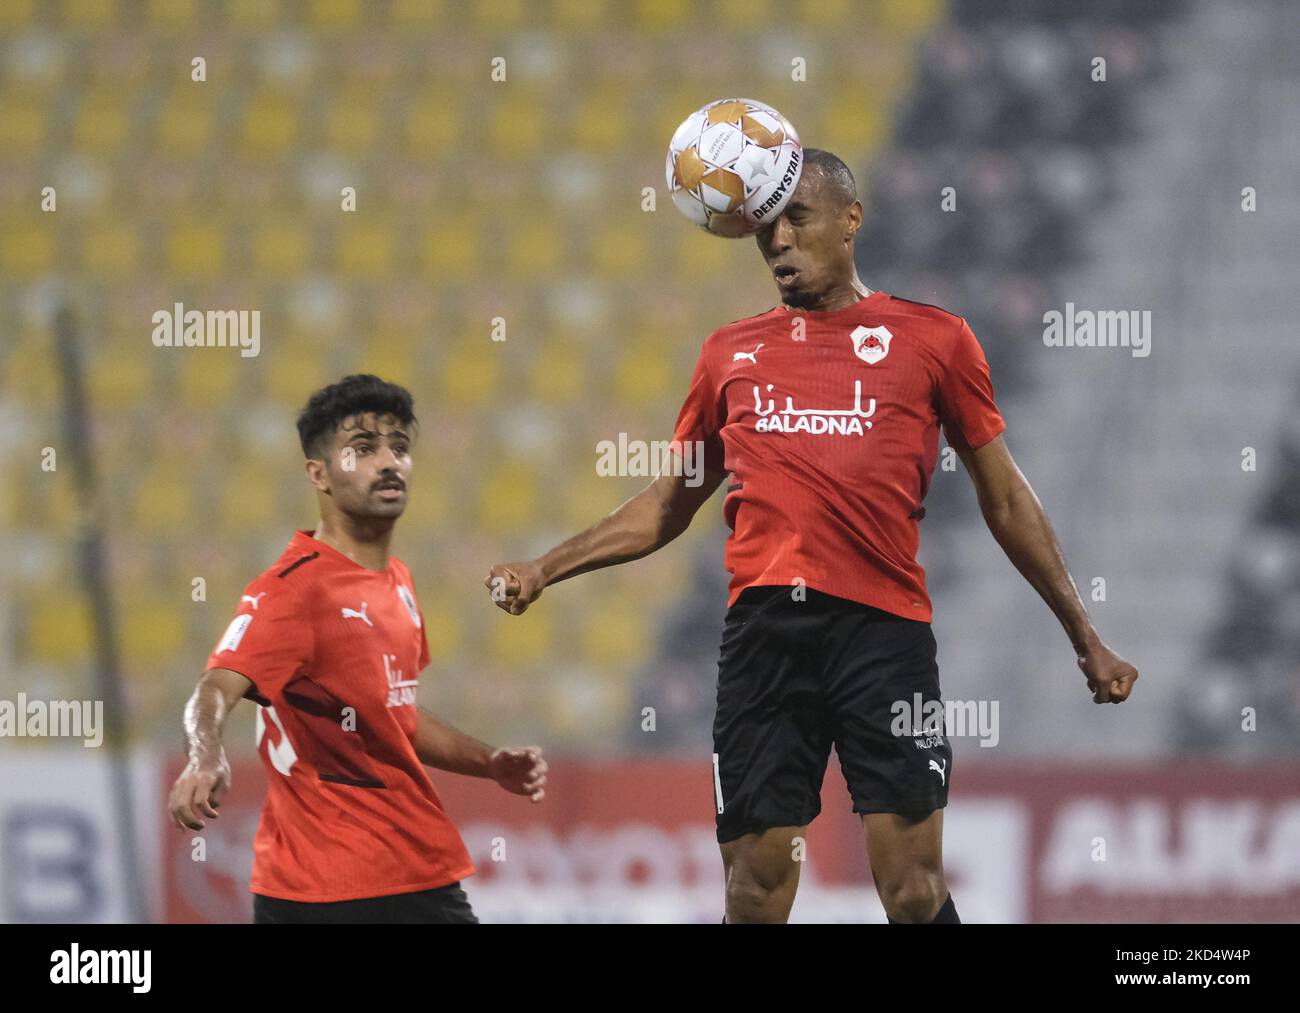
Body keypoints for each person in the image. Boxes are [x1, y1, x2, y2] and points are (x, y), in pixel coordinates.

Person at [484, 149, 1137, 924]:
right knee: (756, 889)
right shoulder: (730, 354)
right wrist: (543, 568)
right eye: (765, 227)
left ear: (851, 220)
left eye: (797, 219)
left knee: (914, 888)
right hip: (766, 638)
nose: (779, 242)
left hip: (884, 636)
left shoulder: (934, 341)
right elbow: (668, 503)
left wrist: (1084, 635)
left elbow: (1005, 496)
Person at [170, 374, 547, 924]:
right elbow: (216, 683)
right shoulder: (293, 590)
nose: (388, 462)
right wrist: (206, 753)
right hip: (368, 881)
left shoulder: (397, 581)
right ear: (319, 474)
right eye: (363, 449)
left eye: (399, 447)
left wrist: (488, 762)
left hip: (333, 883)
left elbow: (394, 715)